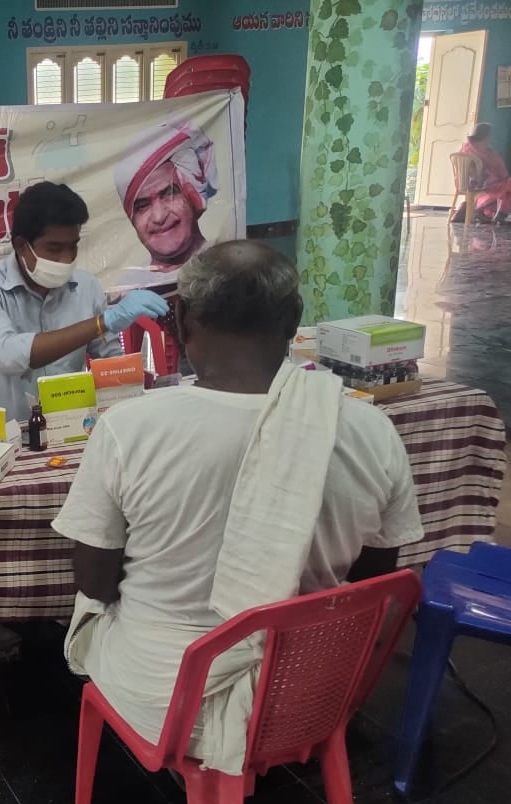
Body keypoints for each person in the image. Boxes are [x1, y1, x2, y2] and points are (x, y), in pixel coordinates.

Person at [52, 240, 423, 775]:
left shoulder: (127, 429)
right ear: (294, 318)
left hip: (166, 697)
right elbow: (370, 584)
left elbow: (95, 582)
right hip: (308, 695)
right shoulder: (372, 431)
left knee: (87, 620)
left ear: (181, 317)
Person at [0, 181, 168, 421]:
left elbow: (110, 360)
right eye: (54, 248)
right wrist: (101, 322)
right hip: (3, 433)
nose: (67, 259)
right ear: (22, 246)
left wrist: (140, 388)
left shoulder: (86, 286)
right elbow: (6, 353)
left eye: (73, 247)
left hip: (71, 427)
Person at [112, 119, 219, 293]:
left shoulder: (224, 268)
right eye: (142, 206)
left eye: (169, 194)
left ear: (192, 194)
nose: (159, 216)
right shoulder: (126, 289)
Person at [459, 122, 511, 223]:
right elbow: (500, 170)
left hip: (465, 182)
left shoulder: (466, 147)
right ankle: (498, 213)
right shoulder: (483, 150)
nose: (491, 138)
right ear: (485, 136)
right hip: (482, 183)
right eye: (490, 135)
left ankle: (486, 211)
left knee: (507, 187)